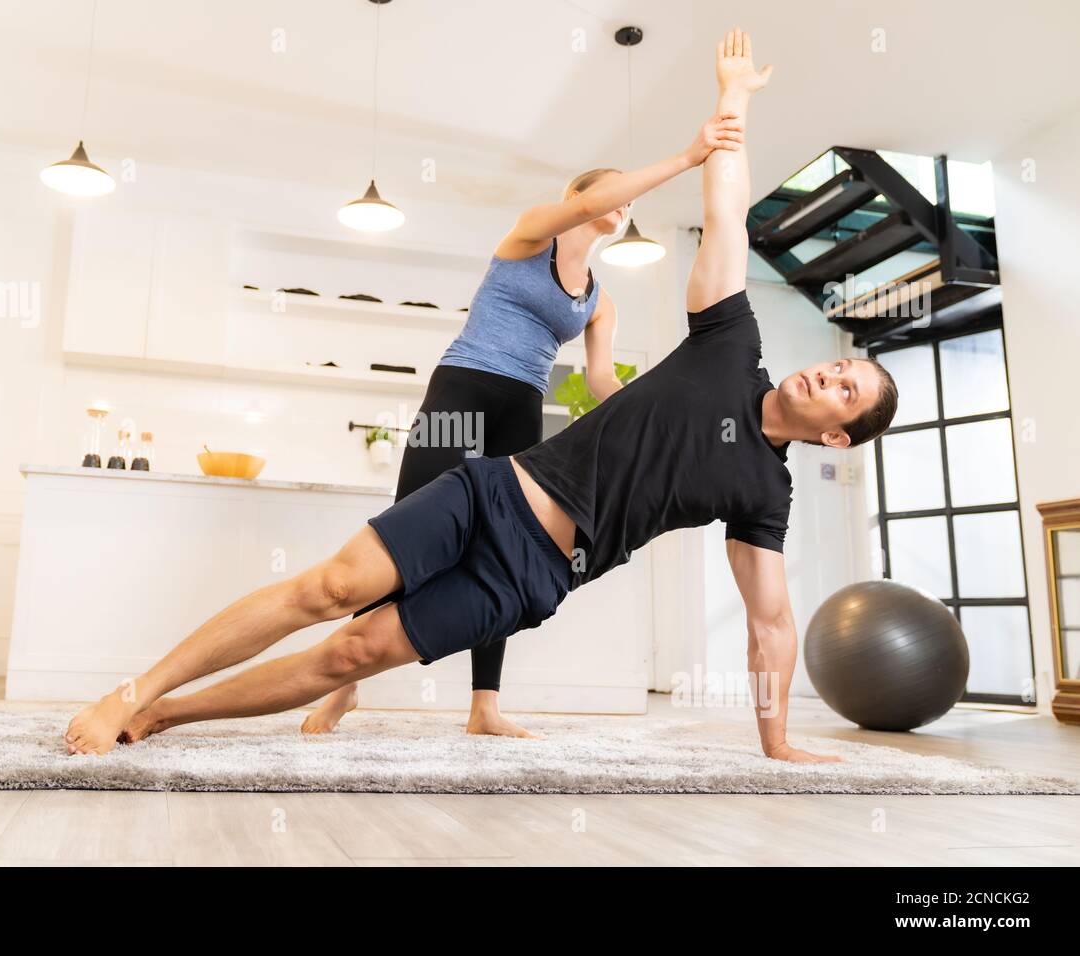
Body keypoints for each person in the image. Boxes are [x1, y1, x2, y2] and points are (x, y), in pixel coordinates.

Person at [65, 28, 898, 764]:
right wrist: (731, 105)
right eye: (838, 366)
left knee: (351, 654)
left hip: (534, 576)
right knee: (328, 591)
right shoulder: (730, 342)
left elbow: (772, 622)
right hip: (493, 485)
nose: (828, 373)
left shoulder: (766, 492)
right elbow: (726, 218)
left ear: (838, 437)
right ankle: (133, 693)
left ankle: (171, 715)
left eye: (845, 388)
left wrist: (776, 738)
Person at [304, 112, 746, 739]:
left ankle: (484, 705)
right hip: (460, 389)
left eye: (624, 201)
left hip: (521, 408)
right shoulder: (530, 235)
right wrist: (684, 157)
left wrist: (654, 424)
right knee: (405, 529)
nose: (620, 208)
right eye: (612, 194)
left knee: (503, 549)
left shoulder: (600, 300)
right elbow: (596, 197)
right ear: (579, 199)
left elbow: (600, 382)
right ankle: (341, 685)